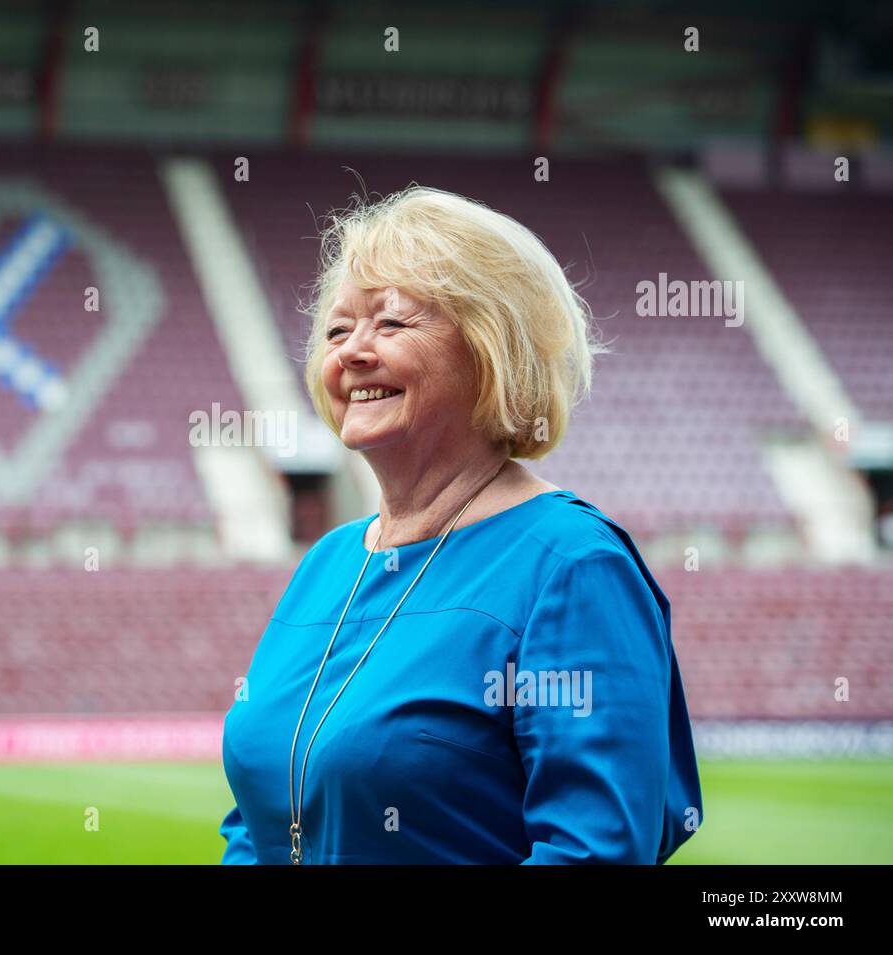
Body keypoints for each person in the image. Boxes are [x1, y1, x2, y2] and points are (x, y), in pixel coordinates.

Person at [219, 186, 702, 864]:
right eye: (336, 330)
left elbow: (592, 852)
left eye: (391, 323)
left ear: (490, 348)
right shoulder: (324, 563)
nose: (352, 351)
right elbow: (257, 821)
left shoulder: (572, 567)